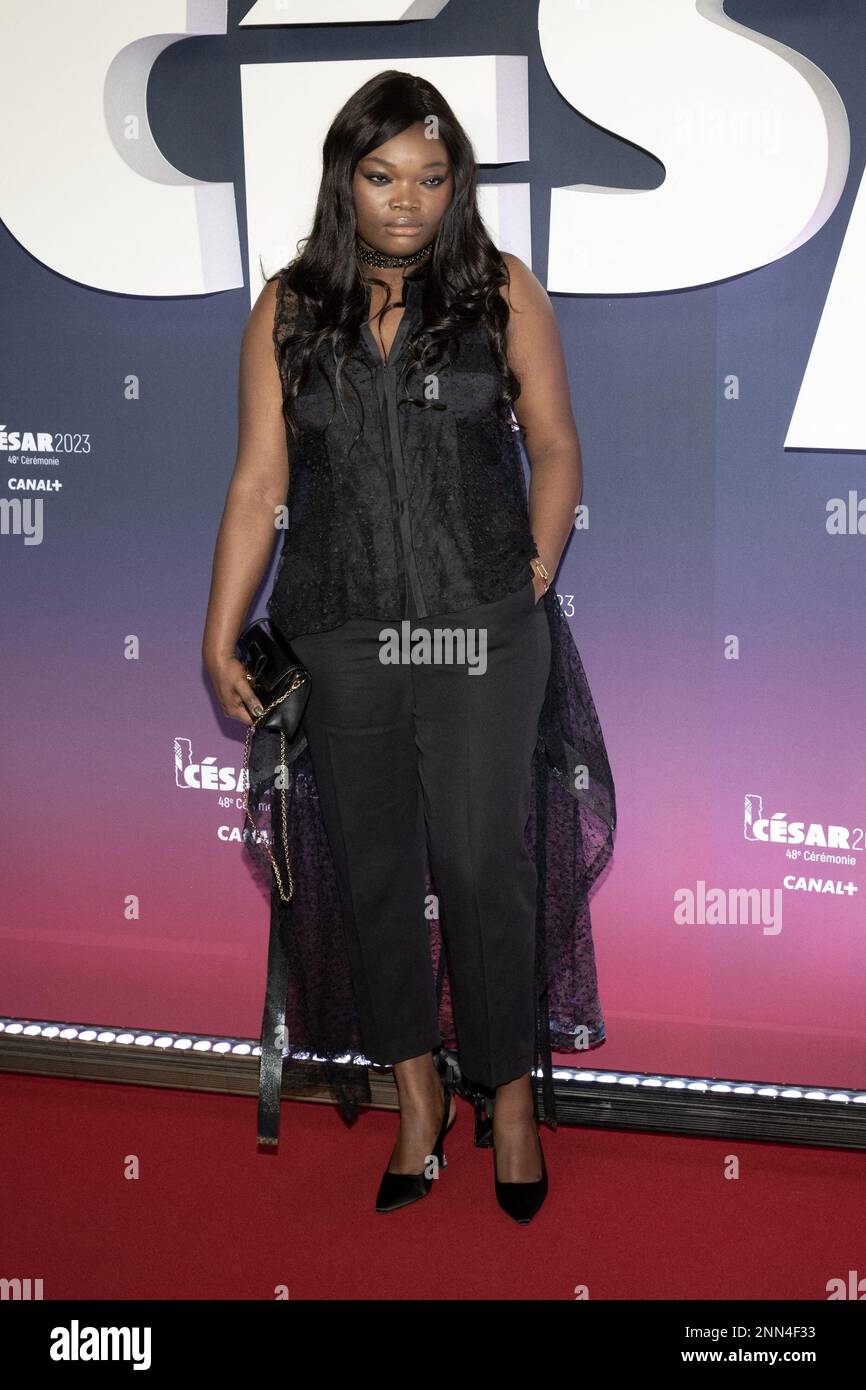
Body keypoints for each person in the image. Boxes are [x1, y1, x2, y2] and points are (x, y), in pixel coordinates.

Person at [202, 70, 616, 1224]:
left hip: (481, 630)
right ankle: (418, 1097)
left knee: (485, 868)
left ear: (455, 184)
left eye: (430, 178)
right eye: (383, 177)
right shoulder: (288, 308)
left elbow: (558, 448)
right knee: (376, 875)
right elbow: (256, 484)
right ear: (347, 179)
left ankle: (513, 1096)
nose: (406, 200)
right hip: (340, 630)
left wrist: (525, 574)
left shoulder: (497, 291)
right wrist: (216, 626)